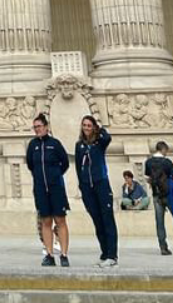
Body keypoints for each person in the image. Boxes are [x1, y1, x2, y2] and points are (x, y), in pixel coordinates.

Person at [72, 114, 119, 266]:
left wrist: (99, 127)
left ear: (93, 128)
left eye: (89, 125)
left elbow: (107, 137)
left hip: (101, 184)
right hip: (87, 187)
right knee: (97, 221)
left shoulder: (99, 142)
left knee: (107, 220)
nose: (86, 128)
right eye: (84, 125)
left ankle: (112, 255)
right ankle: (104, 253)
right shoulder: (79, 145)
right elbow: (79, 167)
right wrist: (82, 185)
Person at [25, 113, 71, 267]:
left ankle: (64, 254)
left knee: (60, 220)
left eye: (39, 126)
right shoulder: (32, 145)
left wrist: (55, 176)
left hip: (56, 188)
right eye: (35, 127)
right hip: (40, 188)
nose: (37, 130)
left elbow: (64, 163)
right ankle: (49, 254)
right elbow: (31, 164)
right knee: (45, 221)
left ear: (46, 127)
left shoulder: (55, 144)